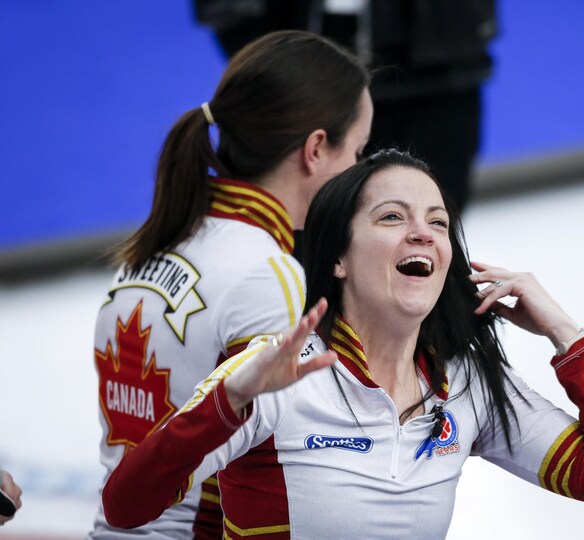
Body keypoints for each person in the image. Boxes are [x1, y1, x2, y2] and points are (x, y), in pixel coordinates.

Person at [100, 149, 584, 537]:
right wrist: (228, 402)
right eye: (392, 217)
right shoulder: (275, 375)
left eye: (438, 223)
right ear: (338, 259)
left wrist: (568, 335)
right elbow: (126, 506)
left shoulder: (467, 385)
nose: (422, 233)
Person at [89, 30, 372, 539]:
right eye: (357, 151)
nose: (358, 173)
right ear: (315, 149)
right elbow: (271, 462)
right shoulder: (267, 271)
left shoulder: (152, 244)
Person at [193, 0, 495, 213]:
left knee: (434, 239)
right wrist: (272, 65)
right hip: (302, 77)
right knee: (309, 243)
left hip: (440, 78)